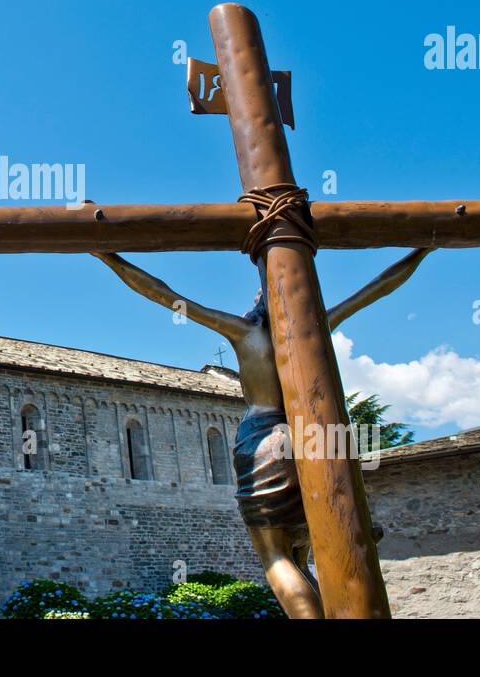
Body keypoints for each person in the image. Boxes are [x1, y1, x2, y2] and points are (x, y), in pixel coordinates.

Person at [91, 248, 433, 618]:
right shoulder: (314, 322)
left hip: (266, 438)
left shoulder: (243, 332)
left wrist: (108, 256)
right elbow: (380, 286)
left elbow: (162, 293)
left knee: (276, 556)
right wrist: (425, 248)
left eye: (256, 295)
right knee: (306, 550)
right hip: (322, 437)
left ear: (262, 302)